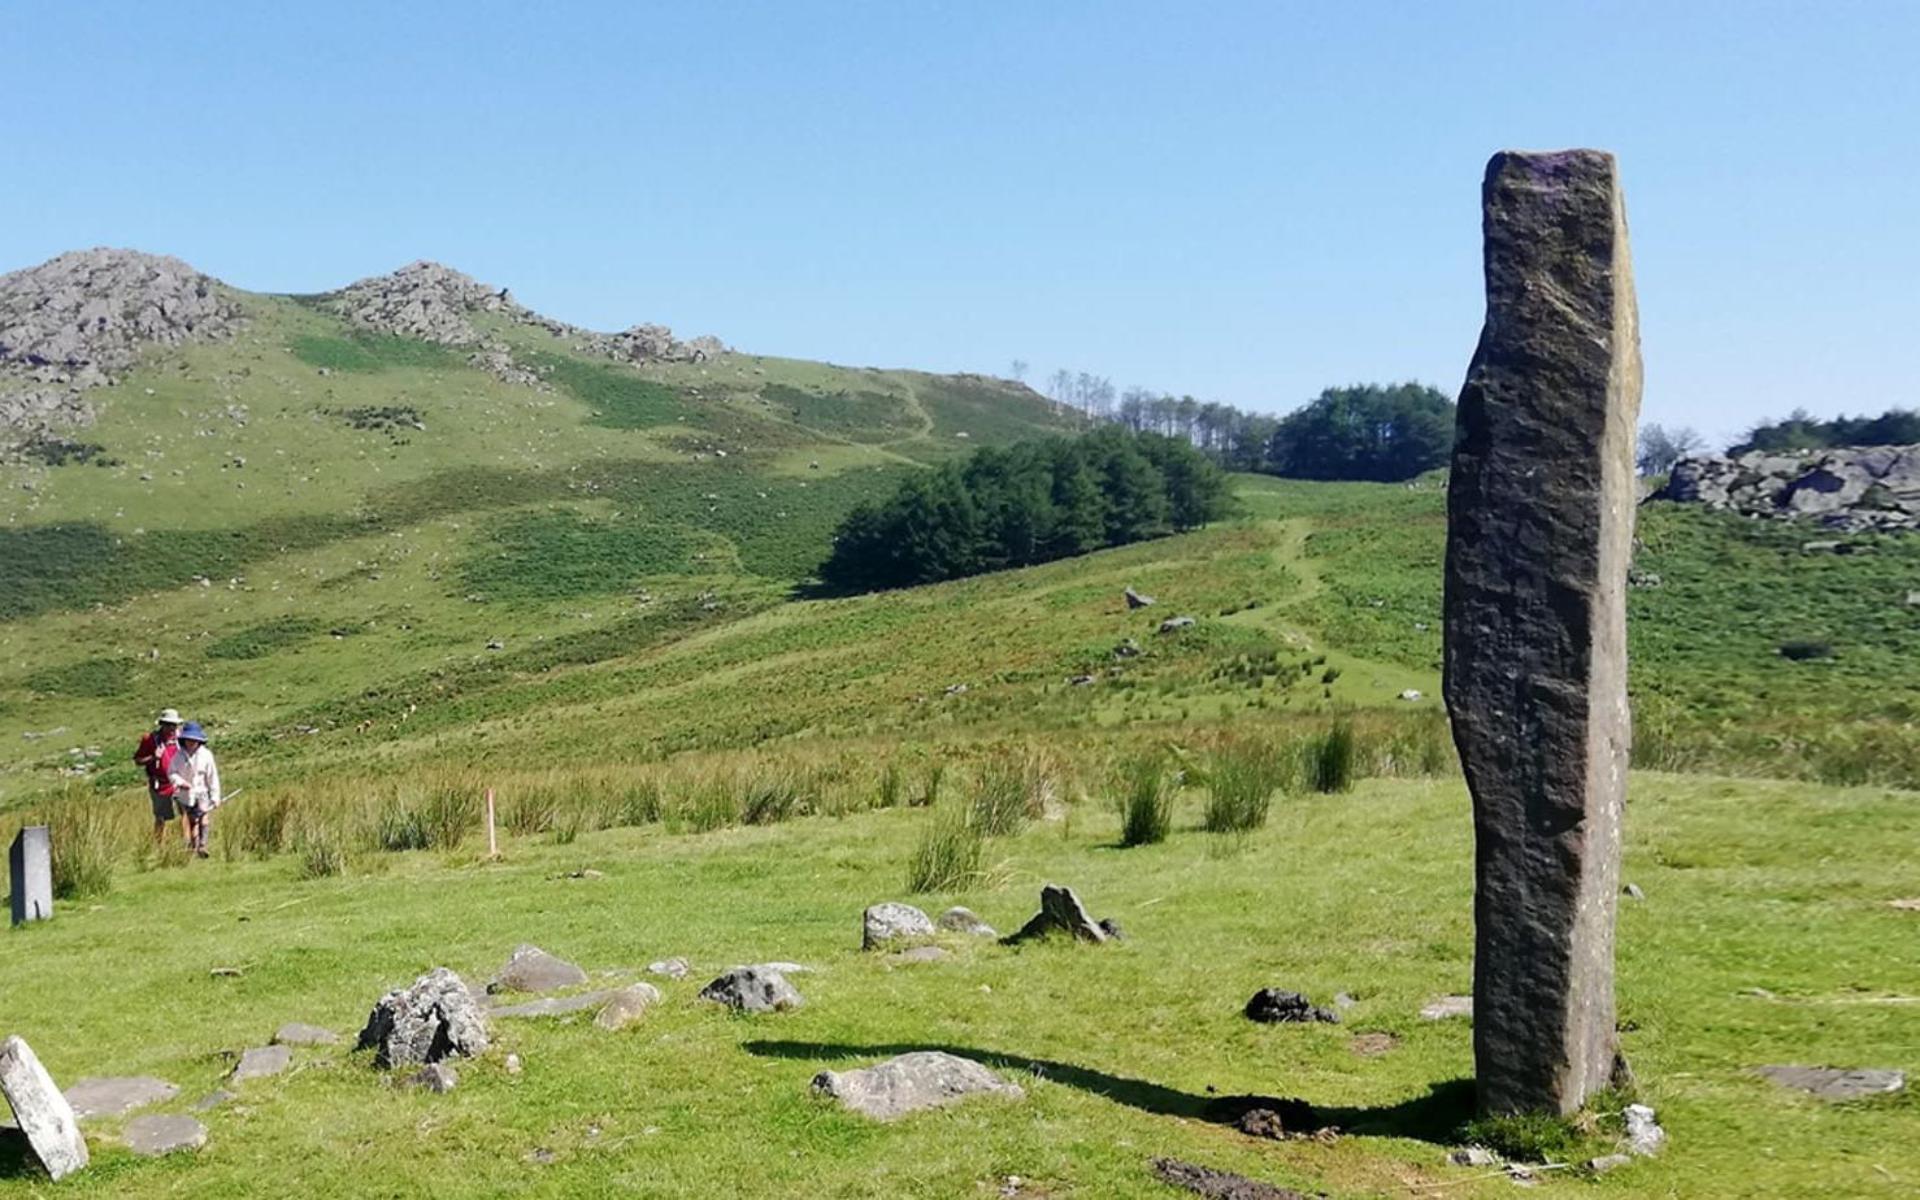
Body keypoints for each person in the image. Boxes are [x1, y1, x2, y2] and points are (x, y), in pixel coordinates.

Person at [168, 721, 222, 858]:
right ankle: (194, 846)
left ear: (199, 740)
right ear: (184, 740)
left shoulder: (206, 755)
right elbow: (171, 772)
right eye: (188, 740)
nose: (191, 742)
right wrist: (180, 782)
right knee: (192, 821)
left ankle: (203, 845)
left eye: (194, 740)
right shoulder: (178, 756)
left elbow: (212, 777)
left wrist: (215, 796)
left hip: (202, 792)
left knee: (204, 816)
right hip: (185, 794)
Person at [133, 708, 184, 844]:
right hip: (160, 784)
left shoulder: (181, 738)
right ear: (162, 724)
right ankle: (158, 845)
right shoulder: (150, 740)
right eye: (168, 724)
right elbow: (138, 760)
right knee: (161, 817)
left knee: (186, 812)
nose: (172, 728)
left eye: (174, 725)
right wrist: (153, 757)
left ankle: (188, 843)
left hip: (180, 782)